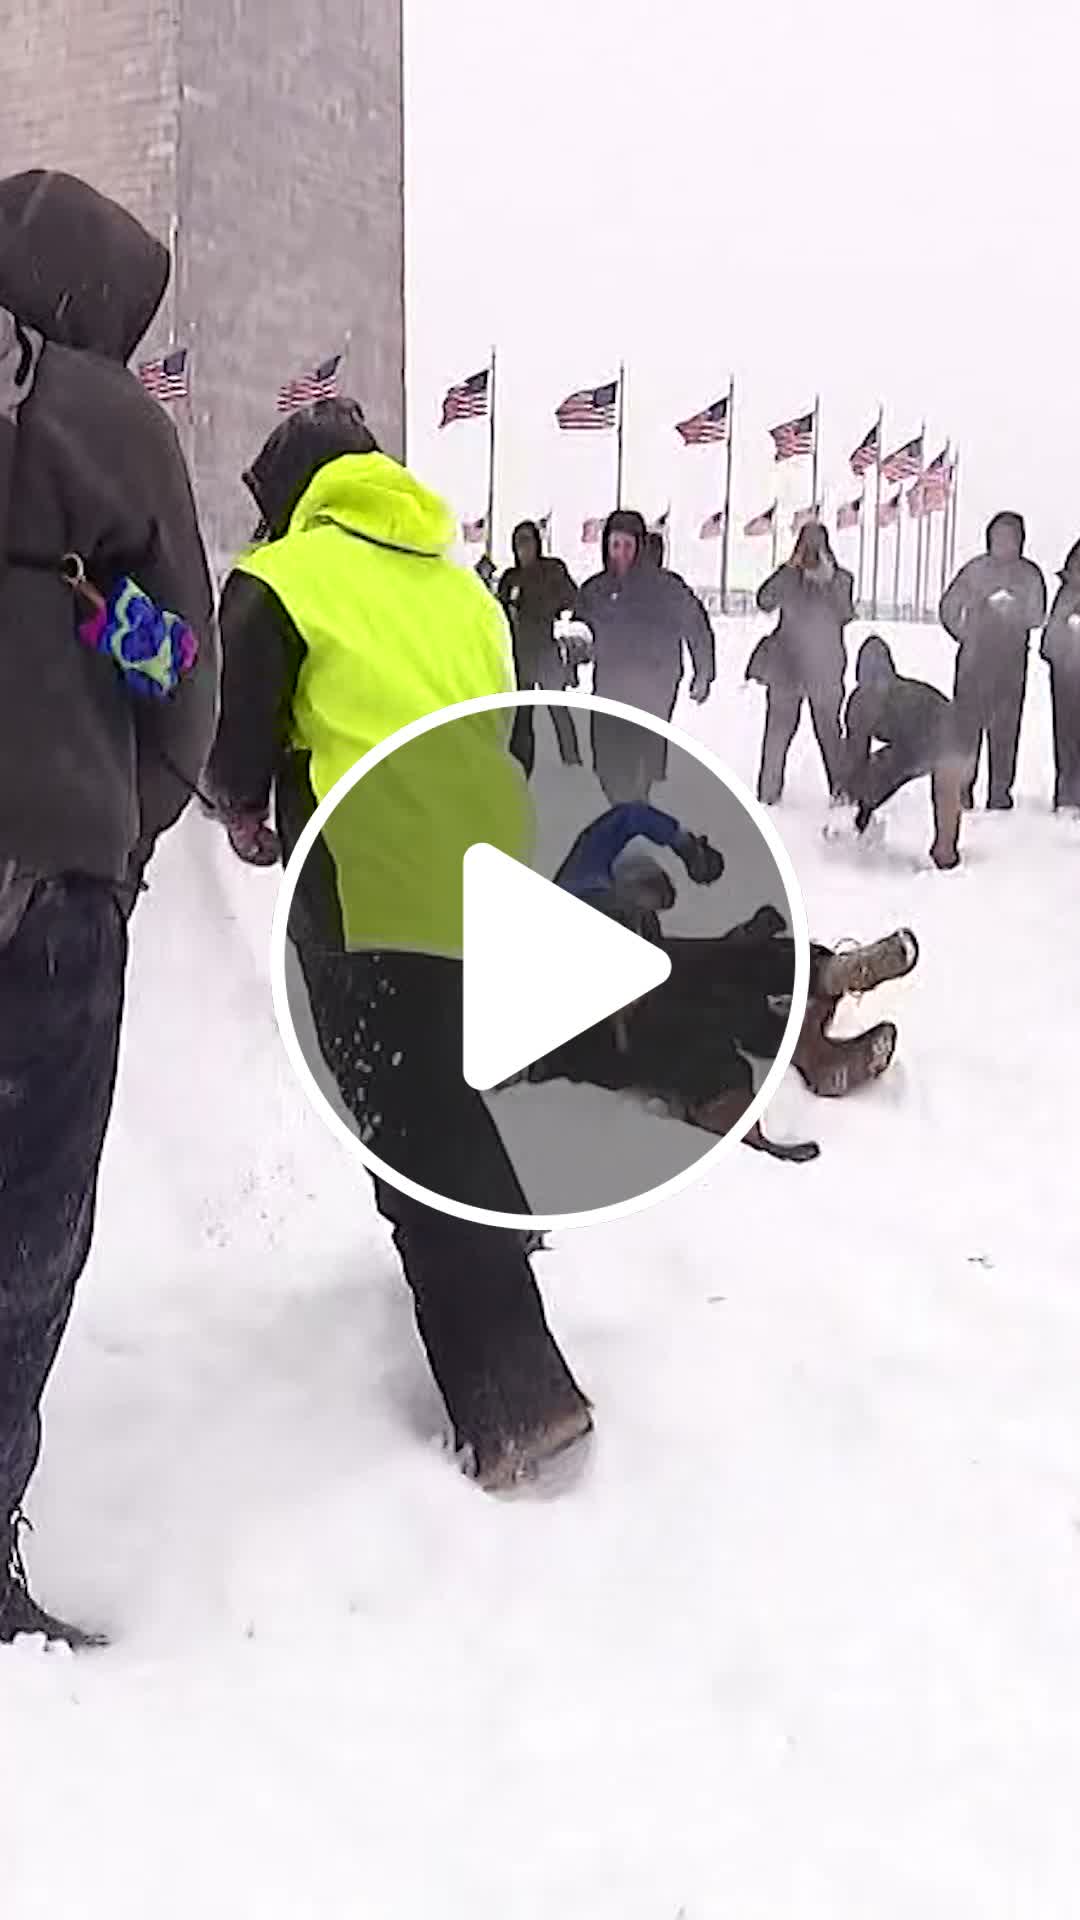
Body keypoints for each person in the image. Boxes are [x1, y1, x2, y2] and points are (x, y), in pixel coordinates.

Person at [207, 398, 592, 1495]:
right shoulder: (460, 583)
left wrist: (242, 811)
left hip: (365, 885)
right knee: (449, 1093)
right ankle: (507, 1243)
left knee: (408, 1132)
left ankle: (520, 1403)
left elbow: (232, 746)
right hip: (482, 875)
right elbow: (512, 724)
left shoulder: (284, 580)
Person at [0, 170, 219, 1646]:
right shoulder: (104, 419)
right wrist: (122, 829)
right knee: (24, 1225)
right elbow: (182, 676)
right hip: (43, 887)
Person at [529, 803, 916, 1160]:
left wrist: (687, 848)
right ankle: (755, 1088)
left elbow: (629, 816)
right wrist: (683, 844)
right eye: (649, 899)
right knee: (684, 1013)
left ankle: (827, 981)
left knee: (722, 964)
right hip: (582, 1023)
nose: (654, 910)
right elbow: (623, 821)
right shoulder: (578, 887)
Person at [574, 510, 715, 803]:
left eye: (628, 546)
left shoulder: (665, 587)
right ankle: (627, 813)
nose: (621, 554)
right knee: (607, 767)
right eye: (615, 546)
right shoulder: (595, 590)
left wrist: (703, 673)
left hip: (654, 687)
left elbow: (696, 625)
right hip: (609, 687)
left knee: (639, 767)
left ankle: (635, 818)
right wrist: (568, 658)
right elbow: (579, 631)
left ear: (639, 546)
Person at [939, 511, 1047, 811]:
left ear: (1020, 541)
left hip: (1011, 665)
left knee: (1005, 729)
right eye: (999, 536)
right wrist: (963, 632)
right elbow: (948, 606)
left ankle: (1000, 792)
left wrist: (1015, 608)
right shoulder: (975, 570)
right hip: (974, 662)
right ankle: (963, 790)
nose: (1004, 543)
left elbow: (1038, 615)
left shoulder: (1029, 574)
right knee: (966, 729)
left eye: (1011, 537)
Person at [748, 521, 856, 805]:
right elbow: (764, 600)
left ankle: (841, 792)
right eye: (805, 547)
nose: (810, 554)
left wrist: (827, 580)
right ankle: (768, 794)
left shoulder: (841, 579)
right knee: (778, 731)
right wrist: (789, 571)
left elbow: (845, 613)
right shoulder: (788, 576)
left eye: (815, 547)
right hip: (787, 665)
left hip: (825, 666)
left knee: (829, 734)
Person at [838, 636, 966, 869]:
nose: (877, 687)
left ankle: (946, 859)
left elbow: (923, 748)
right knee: (873, 776)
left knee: (946, 789)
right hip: (911, 745)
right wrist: (854, 796)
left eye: (882, 680)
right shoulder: (857, 705)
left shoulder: (908, 698)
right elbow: (857, 755)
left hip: (950, 738)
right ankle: (857, 830)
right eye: (870, 682)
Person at [498, 520, 580, 775]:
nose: (525, 549)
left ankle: (572, 760)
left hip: (546, 652)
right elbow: (499, 615)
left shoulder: (552, 570)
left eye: (529, 542)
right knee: (521, 717)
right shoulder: (510, 578)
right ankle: (522, 765)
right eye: (519, 543)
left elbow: (572, 599)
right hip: (520, 656)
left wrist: (554, 612)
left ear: (538, 544)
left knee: (558, 708)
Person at [1040, 538, 1080, 813]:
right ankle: (1067, 794)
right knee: (1066, 734)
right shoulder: (1067, 593)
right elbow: (1051, 633)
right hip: (1066, 673)